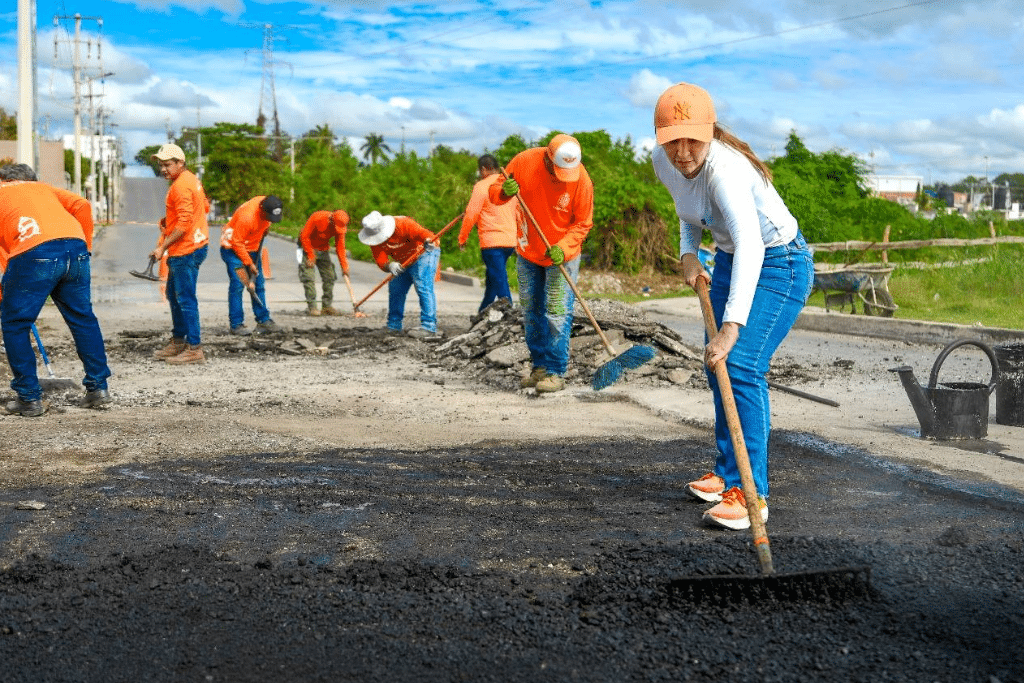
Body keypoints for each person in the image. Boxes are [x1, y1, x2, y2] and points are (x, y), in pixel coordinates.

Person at [651, 82, 814, 530]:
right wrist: (688, 254)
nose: (683, 153)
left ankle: (751, 495)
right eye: (673, 142)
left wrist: (732, 327)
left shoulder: (725, 169)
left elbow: (751, 246)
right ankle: (726, 474)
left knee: (739, 363)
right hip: (728, 260)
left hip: (779, 262)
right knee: (716, 364)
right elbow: (688, 212)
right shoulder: (663, 162)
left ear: (709, 133)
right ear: (660, 138)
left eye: (693, 141)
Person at [0, 163, 112, 416]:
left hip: (35, 251)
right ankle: (98, 388)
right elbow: (82, 205)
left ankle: (29, 397)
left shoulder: (3, 192)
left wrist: (6, 287)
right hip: (75, 246)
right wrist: (86, 247)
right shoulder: (43, 188)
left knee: (15, 324)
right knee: (83, 318)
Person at [489, 134, 594, 394]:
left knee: (557, 313)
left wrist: (564, 247)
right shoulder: (524, 161)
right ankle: (539, 366)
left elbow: (583, 223)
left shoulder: (581, 179)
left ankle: (556, 371)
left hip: (561, 255)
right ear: (548, 157)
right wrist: (503, 191)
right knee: (531, 311)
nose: (563, 178)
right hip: (528, 251)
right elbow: (496, 193)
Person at [149, 143, 210, 365]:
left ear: (180, 163)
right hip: (193, 245)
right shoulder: (191, 179)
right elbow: (204, 207)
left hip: (186, 250)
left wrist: (162, 247)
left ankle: (194, 348)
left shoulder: (180, 186)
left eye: (167, 164)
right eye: (161, 165)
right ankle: (178, 341)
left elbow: (184, 224)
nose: (163, 169)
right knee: (174, 295)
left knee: (185, 298)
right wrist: (170, 221)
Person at [357, 210, 440, 338]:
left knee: (423, 286)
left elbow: (428, 235)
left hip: (423, 253)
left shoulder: (404, 224)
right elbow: (381, 259)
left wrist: (429, 241)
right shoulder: (373, 237)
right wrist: (389, 266)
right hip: (403, 260)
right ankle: (394, 326)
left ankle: (429, 327)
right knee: (396, 288)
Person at [458, 154, 519, 314]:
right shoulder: (508, 184)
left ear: (484, 169)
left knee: (499, 279)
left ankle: (510, 313)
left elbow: (471, 214)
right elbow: (519, 213)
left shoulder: (481, 186)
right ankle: (482, 312)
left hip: (492, 242)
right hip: (510, 241)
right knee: (492, 280)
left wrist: (463, 237)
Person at [219, 195, 283, 335]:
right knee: (238, 285)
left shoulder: (269, 203)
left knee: (258, 285)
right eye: (269, 217)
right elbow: (237, 242)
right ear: (262, 210)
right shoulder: (247, 217)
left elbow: (265, 222)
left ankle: (263, 321)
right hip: (233, 250)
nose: (269, 220)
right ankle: (236, 325)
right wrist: (249, 263)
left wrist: (265, 228)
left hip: (252, 249)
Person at [298, 209, 349, 316]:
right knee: (309, 278)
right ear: (331, 220)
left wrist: (344, 266)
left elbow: (340, 247)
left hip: (323, 249)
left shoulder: (340, 226)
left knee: (330, 277)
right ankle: (312, 307)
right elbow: (304, 236)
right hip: (308, 248)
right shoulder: (317, 217)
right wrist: (310, 255)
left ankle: (327, 306)